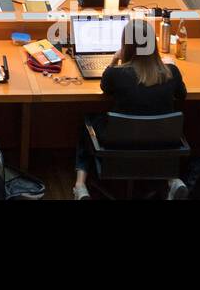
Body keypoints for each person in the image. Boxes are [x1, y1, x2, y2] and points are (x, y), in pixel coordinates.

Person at [73, 19, 187, 201]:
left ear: (125, 46)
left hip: (119, 143)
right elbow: (182, 95)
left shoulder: (116, 74)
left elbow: (105, 87)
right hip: (161, 143)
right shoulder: (171, 72)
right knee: (162, 124)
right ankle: (172, 180)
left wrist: (114, 60)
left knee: (88, 123)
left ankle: (80, 186)